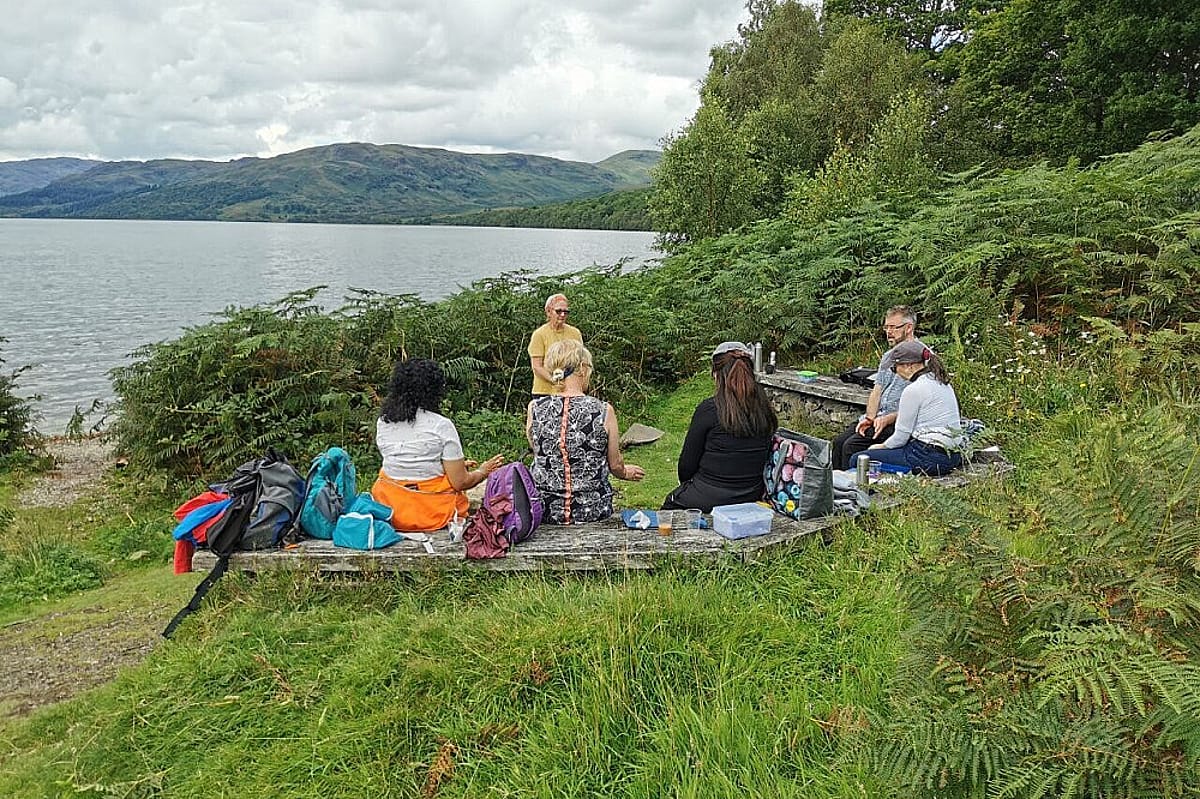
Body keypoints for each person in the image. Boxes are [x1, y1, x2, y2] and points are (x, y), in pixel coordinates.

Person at [371, 358, 505, 531]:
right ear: (434, 390)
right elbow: (461, 482)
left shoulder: (383, 422)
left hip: (389, 511)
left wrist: (442, 466)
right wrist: (483, 471)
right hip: (433, 513)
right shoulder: (440, 425)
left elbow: (406, 463)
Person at [526, 339, 644, 524]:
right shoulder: (604, 410)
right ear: (582, 368)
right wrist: (626, 473)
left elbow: (537, 451)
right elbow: (615, 464)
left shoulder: (535, 408)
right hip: (592, 510)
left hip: (547, 509)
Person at [662, 341, 778, 513]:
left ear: (716, 374)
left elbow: (686, 467)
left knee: (668, 510)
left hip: (707, 497)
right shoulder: (765, 409)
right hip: (751, 495)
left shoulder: (709, 409)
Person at [832, 305, 926, 470]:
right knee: (838, 442)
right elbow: (877, 391)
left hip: (898, 422)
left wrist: (884, 419)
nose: (889, 332)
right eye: (886, 327)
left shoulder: (921, 357)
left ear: (909, 327)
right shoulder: (888, 356)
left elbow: (918, 405)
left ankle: (852, 490)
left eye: (893, 327)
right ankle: (834, 488)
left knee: (851, 447)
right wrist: (869, 418)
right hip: (878, 418)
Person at [866, 340, 965, 475]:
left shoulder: (913, 390)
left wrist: (878, 448)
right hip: (953, 455)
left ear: (909, 366)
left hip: (927, 456)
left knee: (860, 459)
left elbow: (900, 438)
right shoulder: (942, 382)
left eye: (895, 368)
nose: (896, 373)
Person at [528, 293, 583, 397]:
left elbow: (581, 361)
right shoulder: (539, 334)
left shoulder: (575, 333)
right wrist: (554, 379)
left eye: (566, 312)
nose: (562, 315)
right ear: (548, 312)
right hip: (544, 392)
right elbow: (537, 366)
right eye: (558, 311)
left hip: (569, 391)